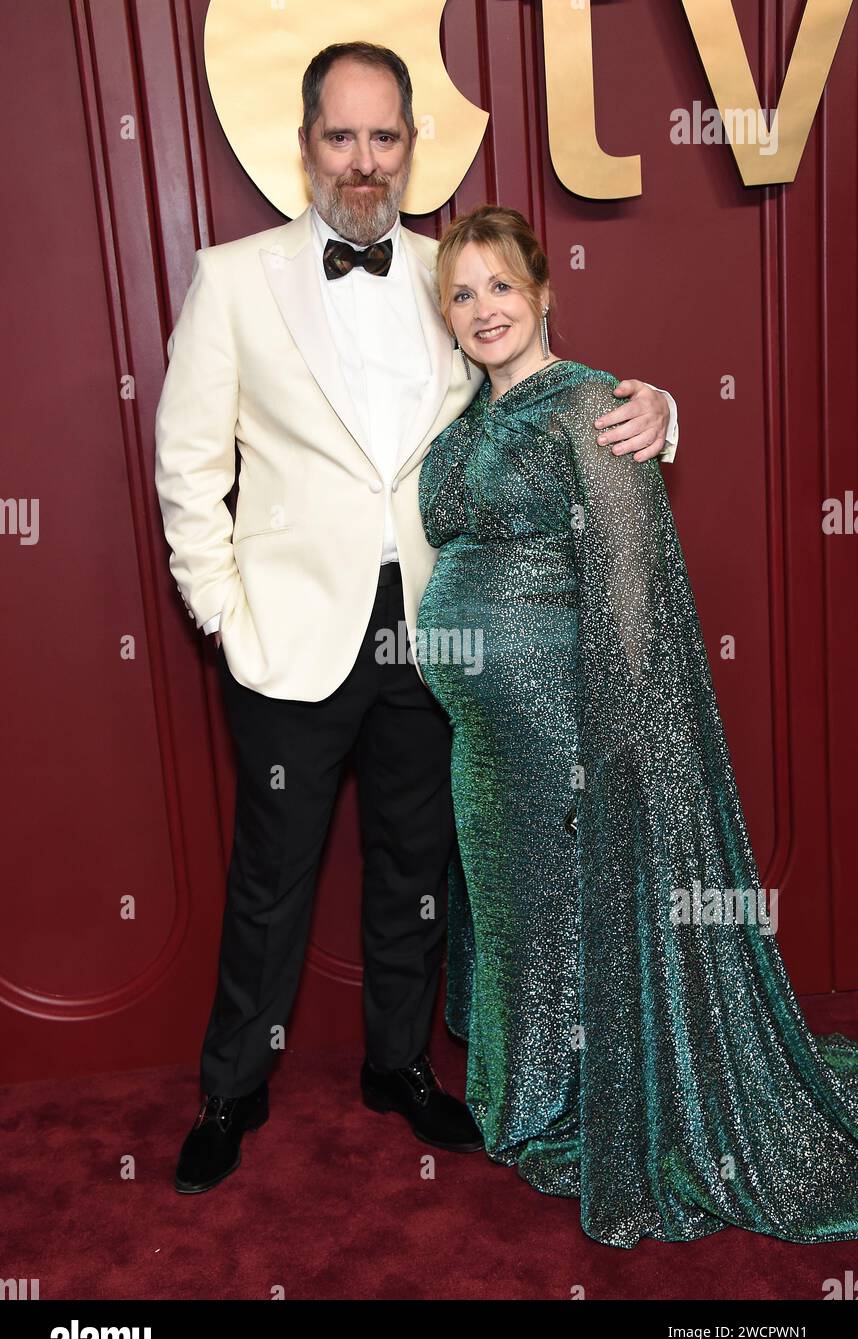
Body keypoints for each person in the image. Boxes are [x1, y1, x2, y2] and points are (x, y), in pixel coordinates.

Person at [154, 42, 678, 1196]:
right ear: (306, 145)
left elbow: (534, 383)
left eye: (383, 136)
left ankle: (398, 1065)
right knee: (272, 876)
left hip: (438, 632)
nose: (363, 158)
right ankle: (233, 1089)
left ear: (408, 146)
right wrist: (222, 615)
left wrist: (659, 406)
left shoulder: (455, 272)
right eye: (340, 136)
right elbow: (188, 463)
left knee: (417, 859)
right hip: (291, 635)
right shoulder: (233, 277)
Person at [416, 202, 858, 1248]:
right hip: (485, 749)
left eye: (501, 286)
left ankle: (585, 1106)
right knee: (527, 917)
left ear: (544, 291)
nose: (484, 310)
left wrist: (612, 755)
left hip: (568, 742)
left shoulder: (595, 409)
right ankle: (533, 1095)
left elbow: (625, 597)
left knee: (580, 917)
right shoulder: (465, 424)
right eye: (463, 293)